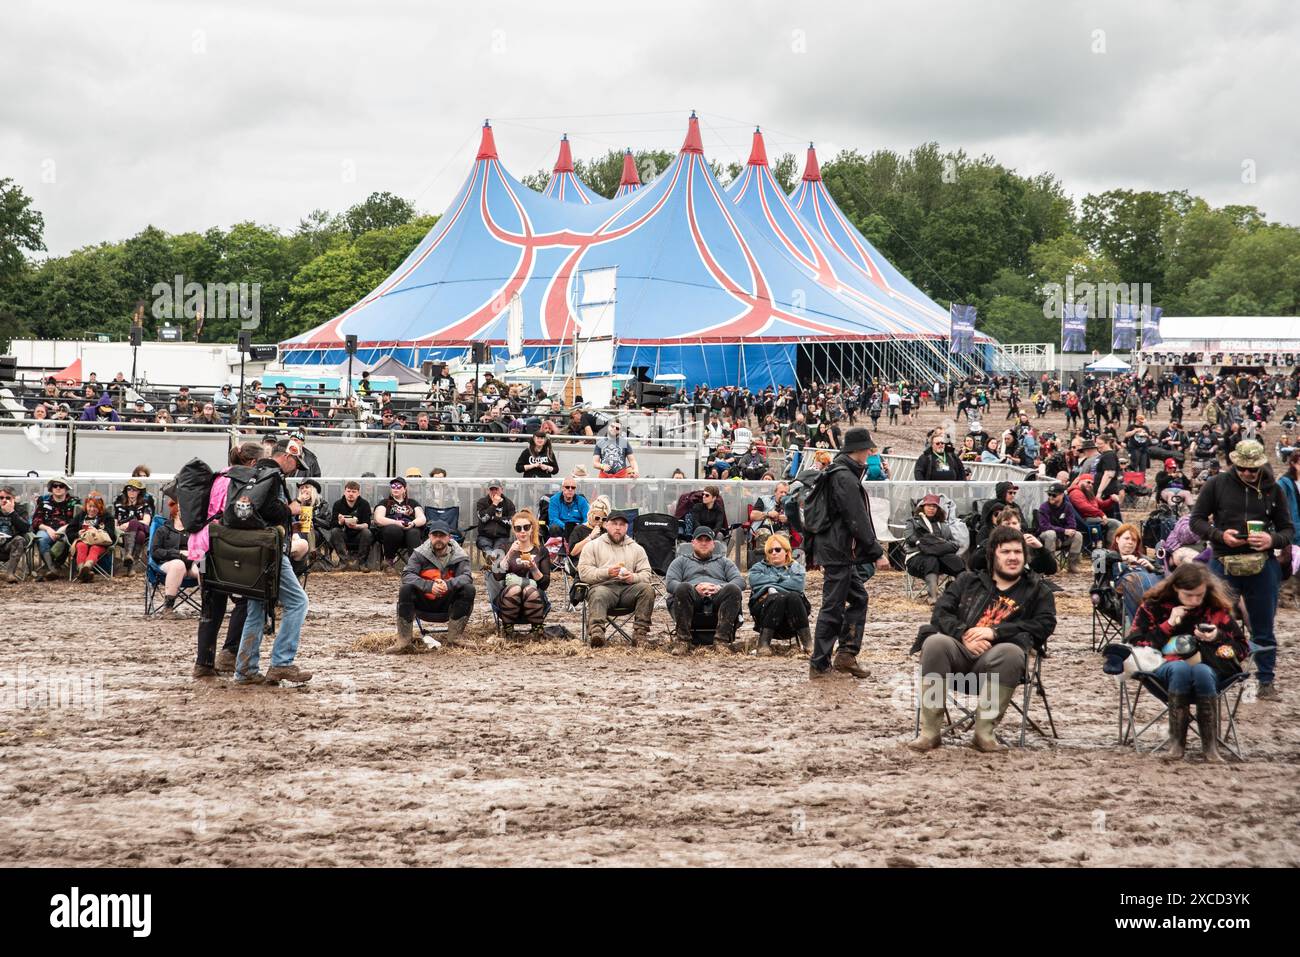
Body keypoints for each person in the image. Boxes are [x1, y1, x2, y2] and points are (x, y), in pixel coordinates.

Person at [909, 526, 1057, 753]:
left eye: (1018, 552)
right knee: (935, 642)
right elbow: (940, 613)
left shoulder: (1037, 590)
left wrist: (995, 632)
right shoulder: (968, 581)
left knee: (1011, 652)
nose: (1013, 557)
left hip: (999, 665)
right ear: (992, 555)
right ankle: (930, 733)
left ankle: (983, 734)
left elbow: (1044, 625)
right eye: (1005, 552)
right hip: (957, 659)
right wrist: (963, 635)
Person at [1190, 439, 1293, 699]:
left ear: (1261, 466)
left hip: (1262, 564)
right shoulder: (1216, 484)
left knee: (1263, 626)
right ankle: (1214, 676)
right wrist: (1220, 535)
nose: (1247, 473)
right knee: (1214, 621)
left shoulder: (1273, 489)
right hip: (1223, 561)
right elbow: (1196, 521)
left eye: (1253, 469)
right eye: (1242, 468)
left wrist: (1271, 540)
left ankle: (1266, 681)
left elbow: (1287, 529)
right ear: (1234, 464)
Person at [1126, 562, 1250, 762]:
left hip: (1210, 669)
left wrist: (1217, 636)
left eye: (1199, 595)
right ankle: (1177, 744)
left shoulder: (1214, 609)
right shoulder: (1153, 606)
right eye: (1188, 595)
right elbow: (1135, 644)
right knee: (1180, 668)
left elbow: (1242, 648)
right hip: (1163, 669)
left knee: (1201, 671)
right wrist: (1168, 624)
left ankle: (1210, 747)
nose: (1195, 600)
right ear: (1175, 588)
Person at [231, 439, 313, 685]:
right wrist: (292, 508)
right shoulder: (273, 476)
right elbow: (270, 511)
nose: (296, 469)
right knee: (298, 602)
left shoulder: (251, 472)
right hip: (270, 549)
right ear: (287, 456)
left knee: (256, 608)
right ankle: (281, 663)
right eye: (296, 463)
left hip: (247, 547)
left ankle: (245, 669)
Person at [809, 427, 883, 680]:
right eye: (868, 450)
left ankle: (845, 655)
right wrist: (876, 552)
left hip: (837, 550)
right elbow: (857, 519)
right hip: (838, 551)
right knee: (833, 607)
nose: (870, 454)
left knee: (858, 598)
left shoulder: (841, 473)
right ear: (858, 450)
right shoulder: (845, 477)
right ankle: (820, 664)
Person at [191, 442, 262, 677]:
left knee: (211, 603)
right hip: (224, 542)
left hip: (202, 543)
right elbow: (241, 515)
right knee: (245, 598)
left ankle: (203, 663)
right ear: (253, 462)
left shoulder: (218, 476)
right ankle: (229, 653)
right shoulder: (244, 480)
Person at [388, 520, 476, 653]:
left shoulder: (460, 555)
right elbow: (407, 575)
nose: (438, 539)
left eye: (442, 535)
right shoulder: (419, 553)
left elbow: (467, 577)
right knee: (405, 589)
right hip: (424, 603)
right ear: (429, 536)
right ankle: (404, 641)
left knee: (468, 589)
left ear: (449, 537)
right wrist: (429, 586)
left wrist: (448, 584)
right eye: (435, 535)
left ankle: (455, 637)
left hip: (448, 604)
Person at [575, 511, 653, 647]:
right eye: (614, 524)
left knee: (647, 590)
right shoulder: (593, 546)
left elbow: (647, 574)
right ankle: (597, 633)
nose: (618, 528)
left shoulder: (637, 548)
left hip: (628, 590)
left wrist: (632, 577)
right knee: (598, 593)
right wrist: (607, 573)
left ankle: (640, 634)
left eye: (622, 525)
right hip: (603, 588)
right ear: (606, 525)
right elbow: (584, 573)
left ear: (627, 527)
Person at [664, 527, 745, 655]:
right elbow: (670, 583)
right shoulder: (680, 562)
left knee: (733, 589)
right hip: (692, 598)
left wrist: (719, 587)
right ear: (693, 543)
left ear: (713, 544)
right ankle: (683, 641)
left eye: (707, 540)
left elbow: (740, 581)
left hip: (717, 598)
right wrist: (695, 587)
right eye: (700, 540)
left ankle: (721, 641)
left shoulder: (724, 562)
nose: (703, 543)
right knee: (682, 587)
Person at [490, 508, 552, 638]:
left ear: (531, 528)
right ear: (514, 530)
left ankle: (537, 631)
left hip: (535, 598)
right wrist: (510, 554)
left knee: (530, 590)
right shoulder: (504, 547)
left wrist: (534, 568)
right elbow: (497, 575)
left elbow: (545, 584)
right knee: (515, 589)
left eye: (526, 527)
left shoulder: (541, 551)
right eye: (518, 528)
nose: (522, 531)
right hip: (508, 599)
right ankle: (508, 630)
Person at [745, 533, 810, 655]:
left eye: (777, 549)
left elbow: (797, 585)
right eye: (770, 551)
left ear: (786, 551)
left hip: (793, 613)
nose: (773, 553)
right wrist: (784, 580)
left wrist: (771, 586)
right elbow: (754, 581)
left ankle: (808, 645)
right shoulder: (758, 567)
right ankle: (763, 645)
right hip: (765, 612)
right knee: (777, 598)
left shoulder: (796, 567)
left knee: (793, 597)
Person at [904, 494, 965, 603]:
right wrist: (923, 542)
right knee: (931, 560)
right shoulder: (912, 521)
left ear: (938, 509)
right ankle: (933, 597)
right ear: (922, 507)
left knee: (956, 560)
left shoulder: (943, 525)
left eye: (934, 506)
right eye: (929, 505)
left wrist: (937, 545)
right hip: (917, 557)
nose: (931, 508)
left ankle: (963, 593)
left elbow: (952, 542)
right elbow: (909, 538)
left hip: (940, 556)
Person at [151, 499, 199, 616]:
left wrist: (194, 554)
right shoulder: (163, 530)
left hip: (192, 562)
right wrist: (179, 553)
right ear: (177, 512)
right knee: (178, 564)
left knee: (205, 567)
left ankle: (209, 608)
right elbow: (155, 552)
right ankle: (168, 608)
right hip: (169, 563)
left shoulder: (195, 531)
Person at [373, 476, 427, 573]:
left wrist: (413, 523)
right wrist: (396, 523)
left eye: (399, 486)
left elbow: (422, 518)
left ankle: (414, 565)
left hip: (409, 531)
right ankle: (388, 561)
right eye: (393, 486)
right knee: (393, 529)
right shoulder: (384, 502)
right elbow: (378, 519)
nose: (395, 489)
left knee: (414, 532)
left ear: (405, 489)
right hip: (390, 534)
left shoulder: (412, 503)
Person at [32, 476, 81, 580]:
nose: (58, 488)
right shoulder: (44, 501)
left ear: (66, 488)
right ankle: (52, 569)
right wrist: (48, 529)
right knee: (41, 539)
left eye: (61, 486)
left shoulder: (74, 502)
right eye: (55, 486)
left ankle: (57, 565)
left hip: (67, 530)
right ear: (51, 488)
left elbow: (78, 520)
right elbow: (36, 521)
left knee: (68, 539)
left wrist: (63, 529)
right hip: (46, 530)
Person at [65, 491, 117, 582]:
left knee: (95, 548)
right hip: (83, 540)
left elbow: (111, 534)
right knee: (81, 546)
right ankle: (82, 570)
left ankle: (86, 568)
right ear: (86, 506)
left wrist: (97, 531)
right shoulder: (81, 516)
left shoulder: (107, 517)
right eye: (90, 506)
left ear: (100, 506)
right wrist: (78, 533)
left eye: (95, 507)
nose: (92, 509)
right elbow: (69, 531)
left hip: (99, 543)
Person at [1035, 482, 1084, 572]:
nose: (1051, 497)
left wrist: (1066, 532)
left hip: (1062, 537)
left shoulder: (1067, 506)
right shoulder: (1044, 507)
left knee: (1078, 535)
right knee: (1050, 534)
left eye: (1054, 495)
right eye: (1049, 494)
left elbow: (1072, 525)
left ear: (1062, 495)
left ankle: (1072, 564)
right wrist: (1063, 531)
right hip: (1045, 537)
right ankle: (1051, 565)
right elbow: (1044, 526)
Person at [328, 480, 374, 571]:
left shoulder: (364, 504)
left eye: (354, 492)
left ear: (358, 493)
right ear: (344, 492)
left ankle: (362, 563)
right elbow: (332, 524)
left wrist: (356, 526)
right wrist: (340, 522)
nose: (351, 494)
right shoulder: (338, 504)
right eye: (348, 491)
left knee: (367, 532)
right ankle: (343, 562)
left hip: (359, 535)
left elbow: (367, 524)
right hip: (343, 535)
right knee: (334, 531)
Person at [113, 478, 155, 574]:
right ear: (126, 491)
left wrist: (129, 524)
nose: (131, 492)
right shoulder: (119, 506)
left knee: (134, 523)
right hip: (123, 533)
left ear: (139, 492)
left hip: (143, 528)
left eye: (134, 489)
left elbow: (146, 522)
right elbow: (115, 524)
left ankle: (128, 554)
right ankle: (131, 566)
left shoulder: (145, 505)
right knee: (140, 535)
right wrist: (119, 528)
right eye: (129, 489)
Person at [474, 480, 516, 564]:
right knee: (486, 546)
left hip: (502, 536)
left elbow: (512, 521)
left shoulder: (508, 503)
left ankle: (493, 563)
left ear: (501, 490)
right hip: (485, 536)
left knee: (498, 550)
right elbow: (483, 518)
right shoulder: (482, 502)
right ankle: (490, 558)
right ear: (488, 491)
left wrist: (495, 518)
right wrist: (494, 504)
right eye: (491, 489)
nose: (494, 492)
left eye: (496, 489)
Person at [0, 486, 31, 583]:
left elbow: (26, 528)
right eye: (1, 497)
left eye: (8, 498)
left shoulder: (20, 510)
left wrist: (12, 512)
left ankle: (10, 574)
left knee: (19, 539)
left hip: (10, 546)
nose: (4, 500)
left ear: (13, 498)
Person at [567, 496, 610, 561]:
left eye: (604, 519)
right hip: (583, 562)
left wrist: (609, 530)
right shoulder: (580, 529)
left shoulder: (605, 531)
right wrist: (590, 537)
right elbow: (573, 552)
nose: (600, 521)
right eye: (597, 518)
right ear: (590, 515)